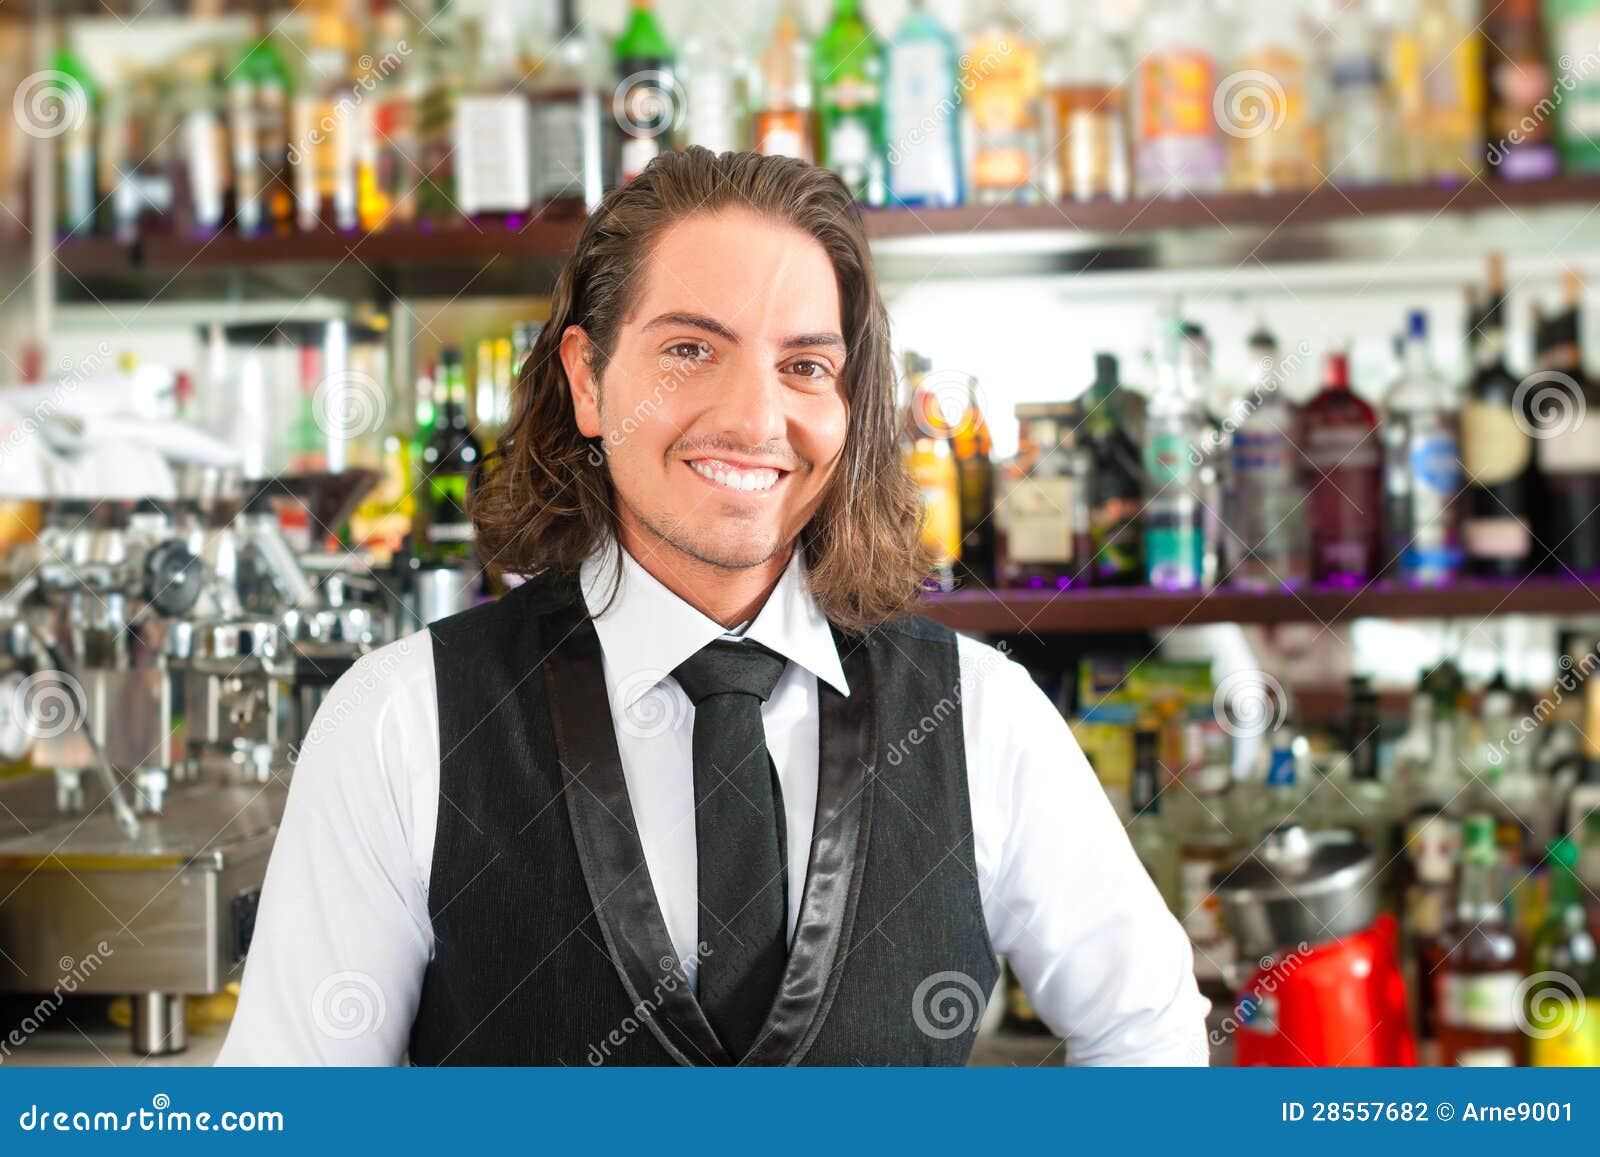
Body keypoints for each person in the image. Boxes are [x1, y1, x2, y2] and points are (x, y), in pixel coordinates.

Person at [219, 148, 1208, 1066]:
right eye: (691, 349)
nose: (752, 416)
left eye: (805, 365)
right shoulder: (399, 720)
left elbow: (1147, 1030)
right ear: (588, 380)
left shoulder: (982, 714)